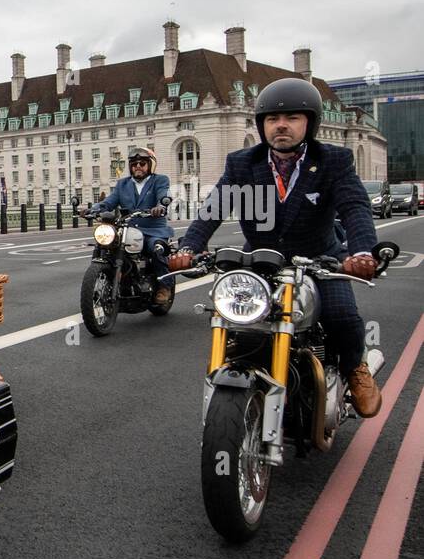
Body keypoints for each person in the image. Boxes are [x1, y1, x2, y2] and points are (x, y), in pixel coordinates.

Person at [169, 77, 382, 416]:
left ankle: (356, 368)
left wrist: (362, 252)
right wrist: (188, 248)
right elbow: (213, 208)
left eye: (292, 118)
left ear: (309, 123)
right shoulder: (242, 163)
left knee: (342, 316)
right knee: (236, 321)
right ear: (262, 125)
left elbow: (354, 206)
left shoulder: (333, 160)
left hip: (321, 260)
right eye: (272, 119)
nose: (281, 126)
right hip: (261, 262)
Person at [88, 147, 174, 304]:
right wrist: (92, 210)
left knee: (156, 249)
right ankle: (102, 280)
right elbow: (109, 202)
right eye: (134, 164)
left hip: (153, 230)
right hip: (127, 230)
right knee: (104, 247)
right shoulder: (122, 184)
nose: (138, 166)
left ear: (150, 165)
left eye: (142, 163)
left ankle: (164, 286)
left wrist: (160, 206)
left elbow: (164, 195)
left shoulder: (160, 180)